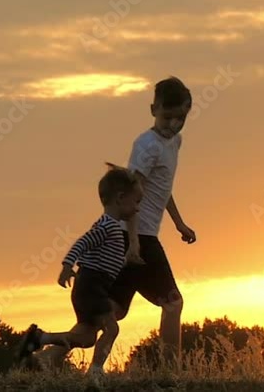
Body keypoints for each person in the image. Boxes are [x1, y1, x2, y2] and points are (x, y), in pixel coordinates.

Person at [19, 164, 143, 380]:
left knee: (86, 339)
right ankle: (96, 371)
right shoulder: (108, 226)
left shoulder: (110, 226)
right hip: (92, 287)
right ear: (120, 198)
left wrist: (123, 263)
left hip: (92, 287)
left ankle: (40, 338)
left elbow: (104, 259)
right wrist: (67, 266)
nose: (137, 209)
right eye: (136, 202)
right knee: (112, 329)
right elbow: (82, 243)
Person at [111, 76, 197, 366]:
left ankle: (49, 355)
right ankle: (170, 373)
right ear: (153, 109)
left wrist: (179, 223)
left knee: (112, 311)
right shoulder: (147, 146)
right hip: (137, 236)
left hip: (136, 236)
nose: (173, 124)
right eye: (167, 117)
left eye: (180, 118)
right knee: (173, 303)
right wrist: (133, 242)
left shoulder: (174, 142)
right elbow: (131, 197)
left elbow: (162, 187)